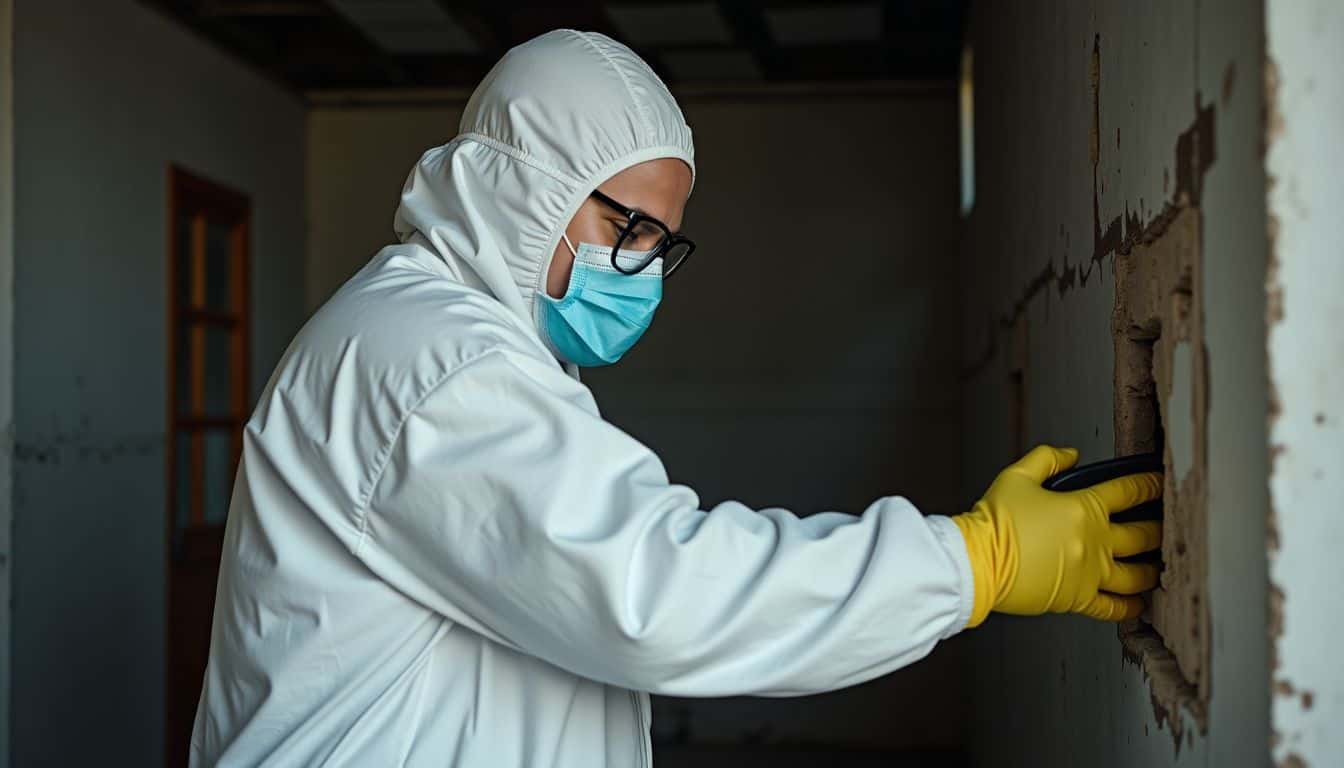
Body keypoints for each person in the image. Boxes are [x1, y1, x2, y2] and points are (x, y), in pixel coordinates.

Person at [190, 29, 1162, 767]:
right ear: (523, 191)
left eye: (664, 241)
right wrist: (974, 562)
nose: (646, 270)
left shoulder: (454, 341)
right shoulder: (436, 364)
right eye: (631, 229)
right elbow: (654, 593)